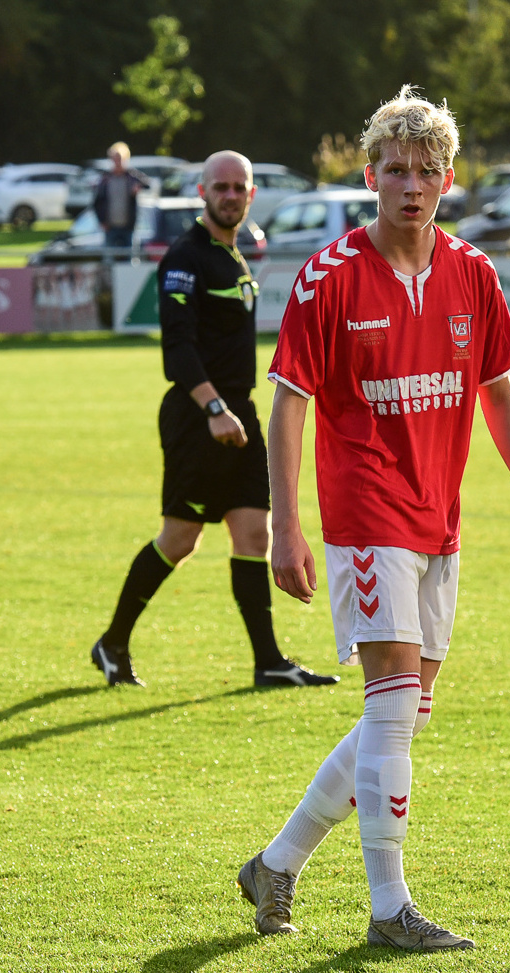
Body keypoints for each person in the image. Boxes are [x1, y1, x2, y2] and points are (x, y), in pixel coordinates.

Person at [236, 86, 510, 952]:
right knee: (388, 709)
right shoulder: (329, 277)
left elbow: (499, 392)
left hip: (438, 519)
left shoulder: (471, 272)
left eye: (426, 171)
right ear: (369, 174)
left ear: (447, 178)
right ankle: (388, 907)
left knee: (405, 714)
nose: (410, 185)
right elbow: (290, 405)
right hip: (365, 511)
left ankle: (276, 862)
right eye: (394, 169)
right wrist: (286, 526)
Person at [89, 150, 338, 689]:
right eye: (220, 187)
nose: (230, 196)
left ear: (251, 194)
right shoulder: (185, 257)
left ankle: (268, 661)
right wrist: (213, 408)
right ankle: (111, 643)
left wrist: (233, 409)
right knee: (179, 539)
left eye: (239, 187)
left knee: (254, 535)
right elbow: (177, 349)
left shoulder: (235, 253)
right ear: (202, 192)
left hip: (239, 413)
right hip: (199, 415)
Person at [92, 142, 148, 251]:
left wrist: (137, 187)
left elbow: (148, 183)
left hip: (128, 227)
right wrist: (102, 221)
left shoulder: (131, 176)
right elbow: (96, 202)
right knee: (109, 258)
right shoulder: (105, 179)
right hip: (110, 227)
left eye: (120, 158)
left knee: (129, 258)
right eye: (115, 158)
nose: (117, 162)